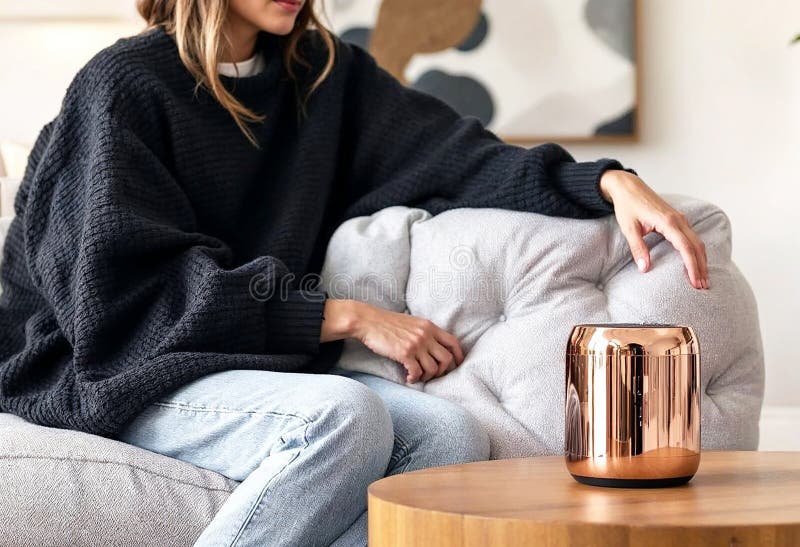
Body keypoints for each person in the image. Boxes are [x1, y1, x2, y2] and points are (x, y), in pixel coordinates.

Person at [0, 0, 709, 545]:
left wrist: (607, 182)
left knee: (448, 440)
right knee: (345, 416)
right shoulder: (123, 84)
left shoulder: (324, 77)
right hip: (112, 364)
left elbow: (460, 155)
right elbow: (116, 291)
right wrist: (337, 314)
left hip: (234, 360)